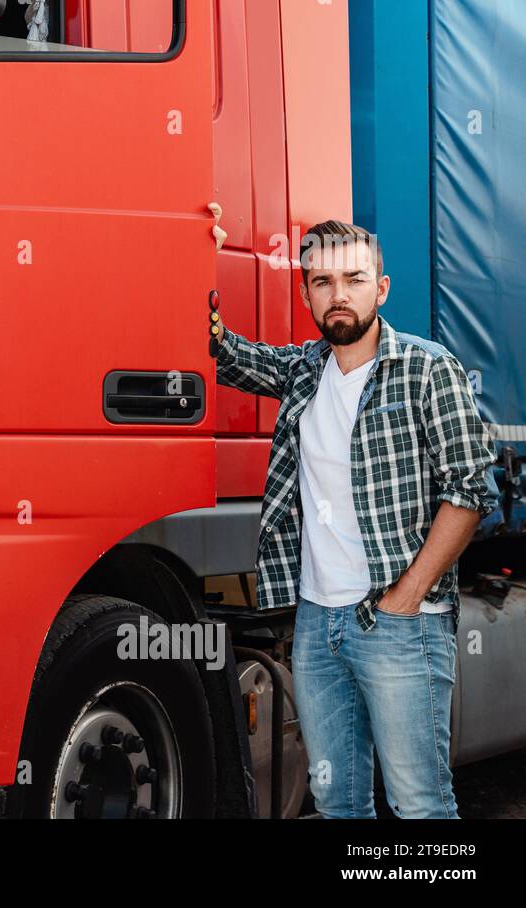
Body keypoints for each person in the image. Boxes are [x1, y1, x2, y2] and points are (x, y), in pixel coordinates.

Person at [210, 220, 498, 818]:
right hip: (317, 625)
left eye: (354, 279)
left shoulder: (426, 368)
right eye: (323, 281)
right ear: (306, 295)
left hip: (400, 623)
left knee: (419, 802)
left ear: (382, 289)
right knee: (335, 801)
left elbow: (471, 489)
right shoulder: (303, 372)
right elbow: (219, 351)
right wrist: (193, 248)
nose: (338, 293)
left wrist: (408, 595)